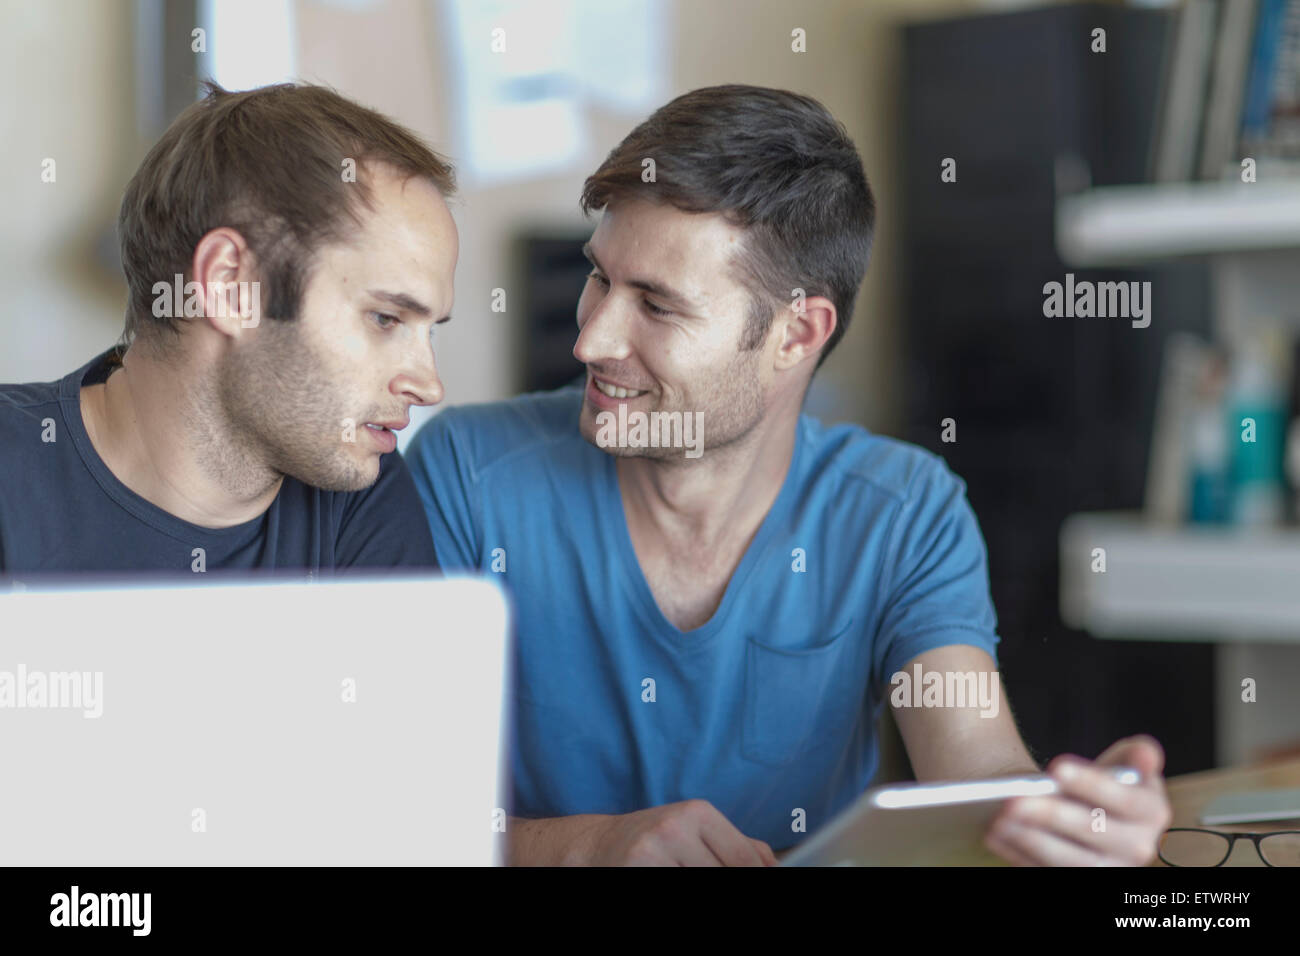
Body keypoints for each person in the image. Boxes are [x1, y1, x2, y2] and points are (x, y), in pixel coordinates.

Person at [407, 84, 1172, 866]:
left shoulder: (904, 513)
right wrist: (592, 847)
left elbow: (975, 776)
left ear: (795, 334)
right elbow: (392, 815)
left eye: (658, 306)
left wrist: (1069, 828)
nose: (593, 340)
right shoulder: (464, 474)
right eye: (599, 278)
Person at [0, 82, 456, 575]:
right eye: (385, 318)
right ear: (229, 285)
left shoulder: (359, 500)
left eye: (430, 329)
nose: (430, 387)